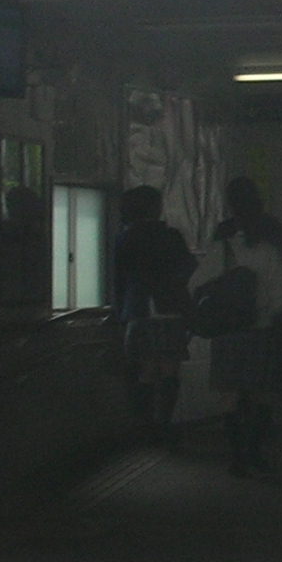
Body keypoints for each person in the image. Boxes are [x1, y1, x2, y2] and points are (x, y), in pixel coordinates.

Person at [206, 176, 282, 476]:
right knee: (261, 393)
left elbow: (202, 284)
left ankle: (236, 455)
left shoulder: (223, 239)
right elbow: (280, 294)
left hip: (227, 331)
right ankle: (254, 451)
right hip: (261, 330)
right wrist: (270, 315)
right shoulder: (271, 238)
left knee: (230, 395)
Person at [111, 185, 195, 434]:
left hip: (138, 309)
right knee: (170, 367)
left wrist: (119, 313)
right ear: (155, 208)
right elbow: (189, 266)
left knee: (146, 369)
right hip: (170, 309)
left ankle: (145, 426)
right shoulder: (171, 236)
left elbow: (119, 280)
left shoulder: (126, 237)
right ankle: (164, 424)